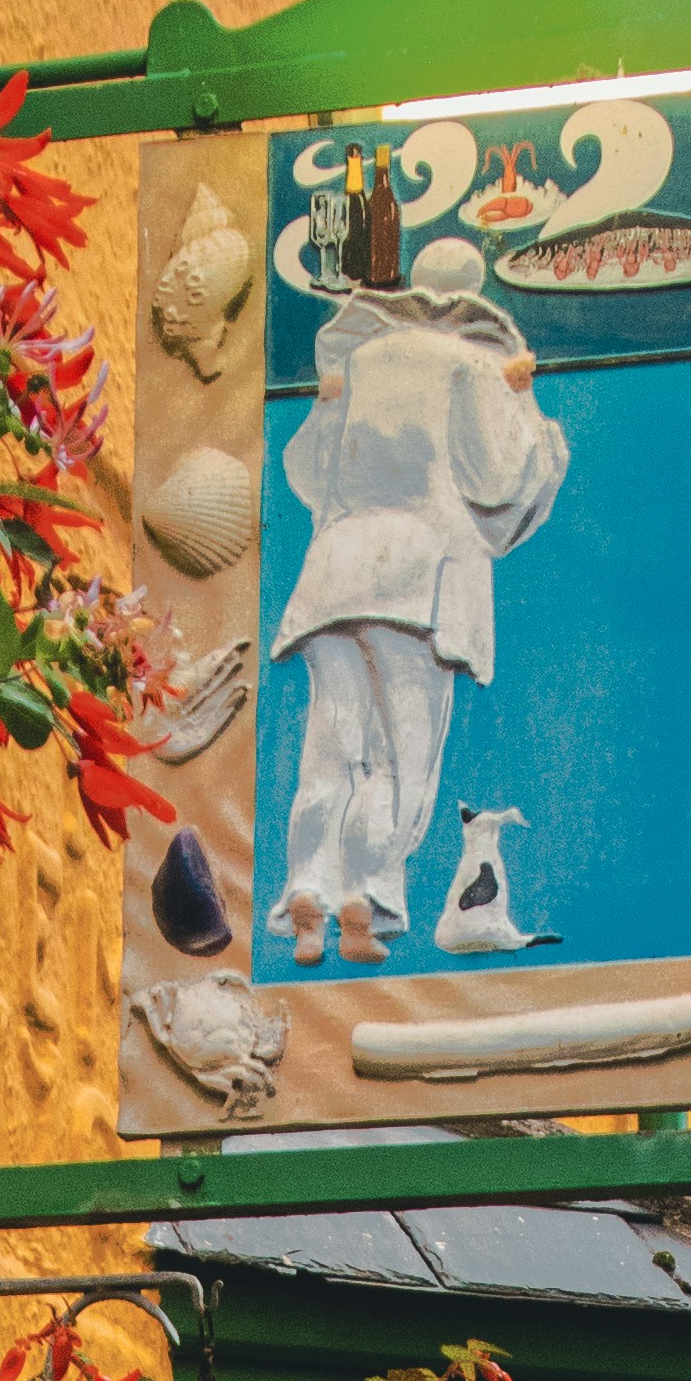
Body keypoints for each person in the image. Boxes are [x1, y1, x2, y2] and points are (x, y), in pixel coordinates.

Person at [268, 233, 567, 969]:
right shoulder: (475, 367)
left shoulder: (360, 361)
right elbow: (500, 479)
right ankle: (367, 900)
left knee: (331, 752)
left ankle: (306, 888)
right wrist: (530, 410)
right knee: (399, 758)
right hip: (417, 575)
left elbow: (307, 469)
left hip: (335, 569)